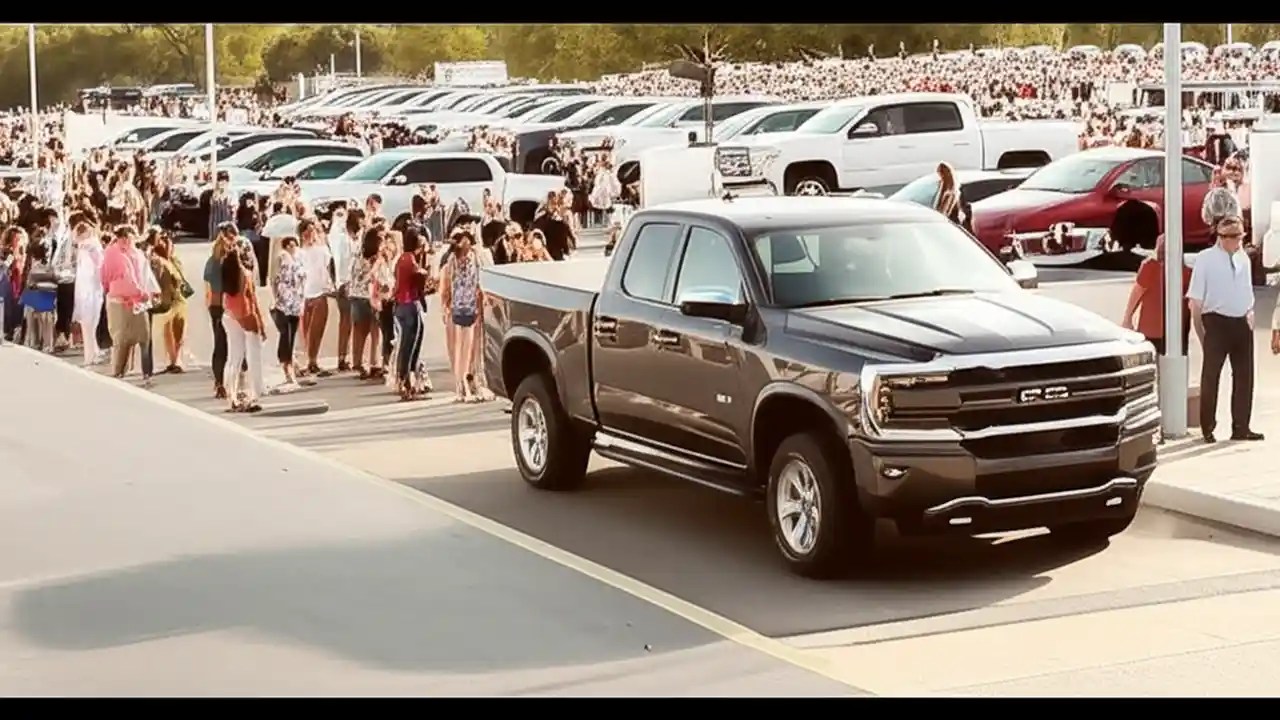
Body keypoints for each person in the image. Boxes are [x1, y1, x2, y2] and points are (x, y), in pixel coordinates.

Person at [1187, 215, 1263, 444]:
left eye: (1240, 236)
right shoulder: (1205, 259)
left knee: (1245, 376)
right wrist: (1201, 332)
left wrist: (1250, 313)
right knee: (1211, 375)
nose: (1236, 241)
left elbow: (1246, 291)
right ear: (1220, 237)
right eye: (1231, 236)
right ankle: (1207, 427)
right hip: (1216, 321)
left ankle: (1241, 426)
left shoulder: (1243, 258)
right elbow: (1196, 302)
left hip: (1241, 321)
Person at [1121, 234, 1191, 356]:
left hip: (1154, 329)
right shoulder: (1186, 272)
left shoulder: (1150, 266)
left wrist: (1128, 318)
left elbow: (1137, 293)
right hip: (1174, 330)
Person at [220, 242, 267, 412]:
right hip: (246, 315)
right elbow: (252, 300)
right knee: (254, 357)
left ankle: (231, 396)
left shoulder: (226, 277)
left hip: (229, 315)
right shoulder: (245, 275)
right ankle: (254, 394)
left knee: (234, 358)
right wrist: (259, 323)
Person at [99, 224, 151, 379]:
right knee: (123, 339)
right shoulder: (117, 256)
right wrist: (142, 293)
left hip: (126, 300)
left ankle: (126, 369)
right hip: (122, 301)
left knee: (131, 338)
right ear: (125, 238)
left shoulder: (126, 253)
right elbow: (125, 281)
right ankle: (120, 370)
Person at [440, 228, 483, 403]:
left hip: (472, 307)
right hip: (457, 309)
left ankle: (470, 380)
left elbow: (480, 282)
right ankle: (461, 383)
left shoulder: (476, 258)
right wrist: (445, 305)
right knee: (459, 349)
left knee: (471, 348)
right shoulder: (451, 261)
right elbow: (445, 285)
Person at [391, 226, 433, 401]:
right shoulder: (410, 260)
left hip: (401, 305)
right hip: (409, 305)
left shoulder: (401, 259)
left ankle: (407, 382)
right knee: (410, 348)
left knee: (406, 346)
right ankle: (406, 383)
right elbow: (420, 277)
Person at [203, 223, 237, 398]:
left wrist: (209, 303)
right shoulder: (229, 261)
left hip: (215, 306)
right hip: (228, 305)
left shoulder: (211, 262)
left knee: (219, 344)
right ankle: (234, 382)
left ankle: (219, 383)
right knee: (234, 345)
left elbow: (207, 286)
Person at [297, 217, 334, 378]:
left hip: (320, 292)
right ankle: (309, 361)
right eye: (307, 232)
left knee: (317, 330)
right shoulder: (298, 252)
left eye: (312, 231)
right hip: (304, 294)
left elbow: (329, 268)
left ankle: (313, 360)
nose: (310, 234)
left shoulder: (322, 250)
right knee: (306, 331)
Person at [270, 234, 305, 390]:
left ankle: (291, 365)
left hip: (296, 302)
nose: (292, 248)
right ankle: (286, 367)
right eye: (289, 245)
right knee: (286, 335)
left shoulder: (298, 261)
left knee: (292, 334)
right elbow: (275, 280)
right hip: (284, 302)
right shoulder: (282, 258)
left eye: (294, 245)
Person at [348, 226, 384, 380]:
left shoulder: (357, 256)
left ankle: (356, 362)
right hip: (369, 297)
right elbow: (373, 277)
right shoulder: (374, 260)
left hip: (356, 295)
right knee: (375, 331)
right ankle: (374, 363)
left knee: (359, 332)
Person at [71, 220, 106, 365]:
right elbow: (100, 267)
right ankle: (92, 353)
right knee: (92, 322)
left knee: (87, 323)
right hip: (93, 287)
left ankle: (91, 352)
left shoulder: (83, 249)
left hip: (84, 288)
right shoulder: (93, 247)